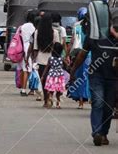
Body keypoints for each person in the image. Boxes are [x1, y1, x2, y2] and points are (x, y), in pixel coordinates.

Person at [70, 12, 118, 146]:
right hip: (96, 75)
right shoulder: (94, 36)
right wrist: (73, 71)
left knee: (109, 108)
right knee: (97, 102)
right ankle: (96, 132)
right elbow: (82, 55)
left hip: (114, 78)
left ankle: (104, 133)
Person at [29, 14, 61, 108]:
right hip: (51, 59)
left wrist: (33, 60)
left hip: (40, 59)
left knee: (43, 81)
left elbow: (35, 48)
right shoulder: (54, 32)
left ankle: (46, 100)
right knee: (50, 80)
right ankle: (50, 97)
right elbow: (57, 47)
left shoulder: (37, 32)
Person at [67, 8, 91, 109]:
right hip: (90, 55)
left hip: (78, 55)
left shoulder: (76, 25)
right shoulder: (93, 26)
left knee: (79, 77)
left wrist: (67, 54)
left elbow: (73, 41)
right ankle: (90, 98)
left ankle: (81, 101)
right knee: (89, 78)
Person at [17, 10, 37, 96]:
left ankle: (22, 88)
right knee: (29, 70)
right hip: (29, 47)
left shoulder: (22, 26)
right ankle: (26, 89)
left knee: (22, 69)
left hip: (21, 47)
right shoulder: (34, 27)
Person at [43, 42, 67, 109]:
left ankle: (50, 96)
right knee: (59, 91)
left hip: (51, 75)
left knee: (51, 89)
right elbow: (66, 66)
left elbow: (47, 67)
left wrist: (43, 76)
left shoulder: (50, 58)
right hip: (59, 76)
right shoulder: (62, 59)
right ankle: (58, 103)